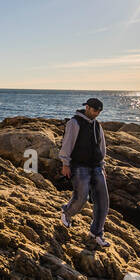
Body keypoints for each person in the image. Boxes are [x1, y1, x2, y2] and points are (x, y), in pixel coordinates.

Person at [59, 97, 110, 248]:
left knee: (103, 201)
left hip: (96, 166)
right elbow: (67, 143)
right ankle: (67, 213)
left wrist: (102, 165)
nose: (97, 114)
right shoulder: (74, 123)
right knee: (81, 197)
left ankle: (96, 233)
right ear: (87, 108)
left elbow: (101, 146)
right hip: (79, 165)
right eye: (95, 110)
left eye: (99, 112)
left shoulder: (97, 125)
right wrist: (65, 163)